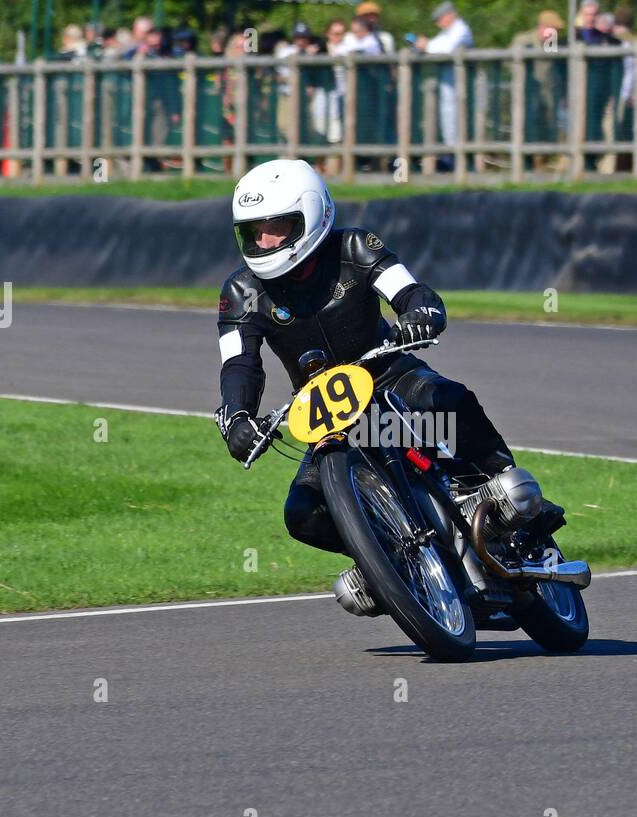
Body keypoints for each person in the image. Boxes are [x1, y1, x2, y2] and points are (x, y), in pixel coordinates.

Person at [215, 160, 529, 611]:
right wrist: (238, 417)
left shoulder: (355, 247)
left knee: (449, 400)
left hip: (390, 374)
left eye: (276, 228)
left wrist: (421, 313)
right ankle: (392, 556)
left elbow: (409, 291)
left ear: (311, 214)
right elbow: (239, 364)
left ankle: (503, 496)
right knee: (301, 513)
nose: (264, 242)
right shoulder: (240, 292)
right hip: (324, 412)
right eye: (253, 232)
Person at [416, 2, 474, 172]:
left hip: (463, 88)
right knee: (449, 122)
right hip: (450, 87)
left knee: (459, 123)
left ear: (450, 15)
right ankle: (450, 158)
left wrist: (426, 46)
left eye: (439, 19)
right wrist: (423, 46)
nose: (438, 23)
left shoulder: (461, 30)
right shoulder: (448, 33)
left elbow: (447, 48)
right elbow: (436, 44)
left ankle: (460, 163)